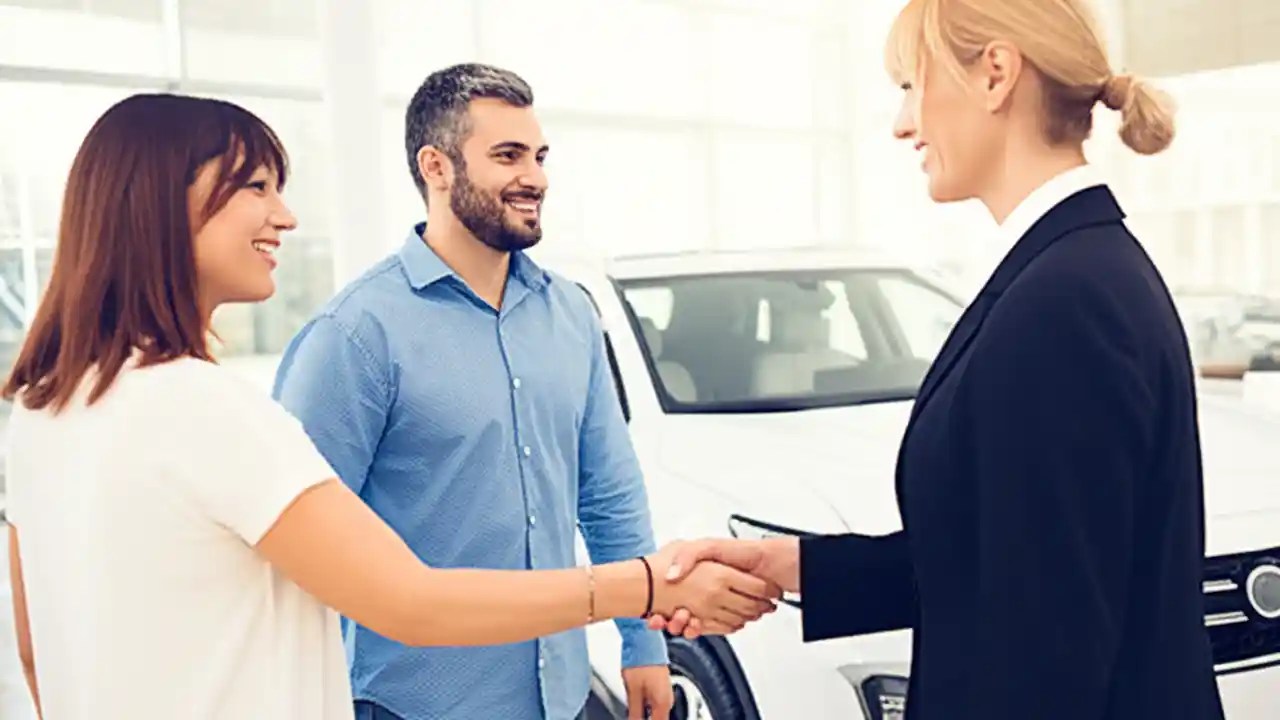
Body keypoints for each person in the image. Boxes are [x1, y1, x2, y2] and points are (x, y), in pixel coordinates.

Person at [2, 93, 778, 720]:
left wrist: (638, 636)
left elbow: (41, 653)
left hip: (556, 691)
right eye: (257, 187)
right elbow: (409, 602)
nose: (288, 217)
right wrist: (647, 586)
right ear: (162, 207)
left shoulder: (38, 412)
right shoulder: (226, 399)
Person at [656, 0, 1226, 718]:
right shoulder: (1068, 270)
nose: (902, 124)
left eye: (909, 85)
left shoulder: (1065, 300)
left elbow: (1049, 654)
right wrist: (797, 568)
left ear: (994, 74)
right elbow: (1002, 563)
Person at [271, 61, 692, 720]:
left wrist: (645, 644)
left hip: (562, 696)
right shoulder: (355, 334)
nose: (536, 177)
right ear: (436, 167)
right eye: (507, 155)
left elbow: (607, 488)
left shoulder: (572, 314)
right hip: (413, 706)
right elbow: (296, 553)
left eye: (539, 155)